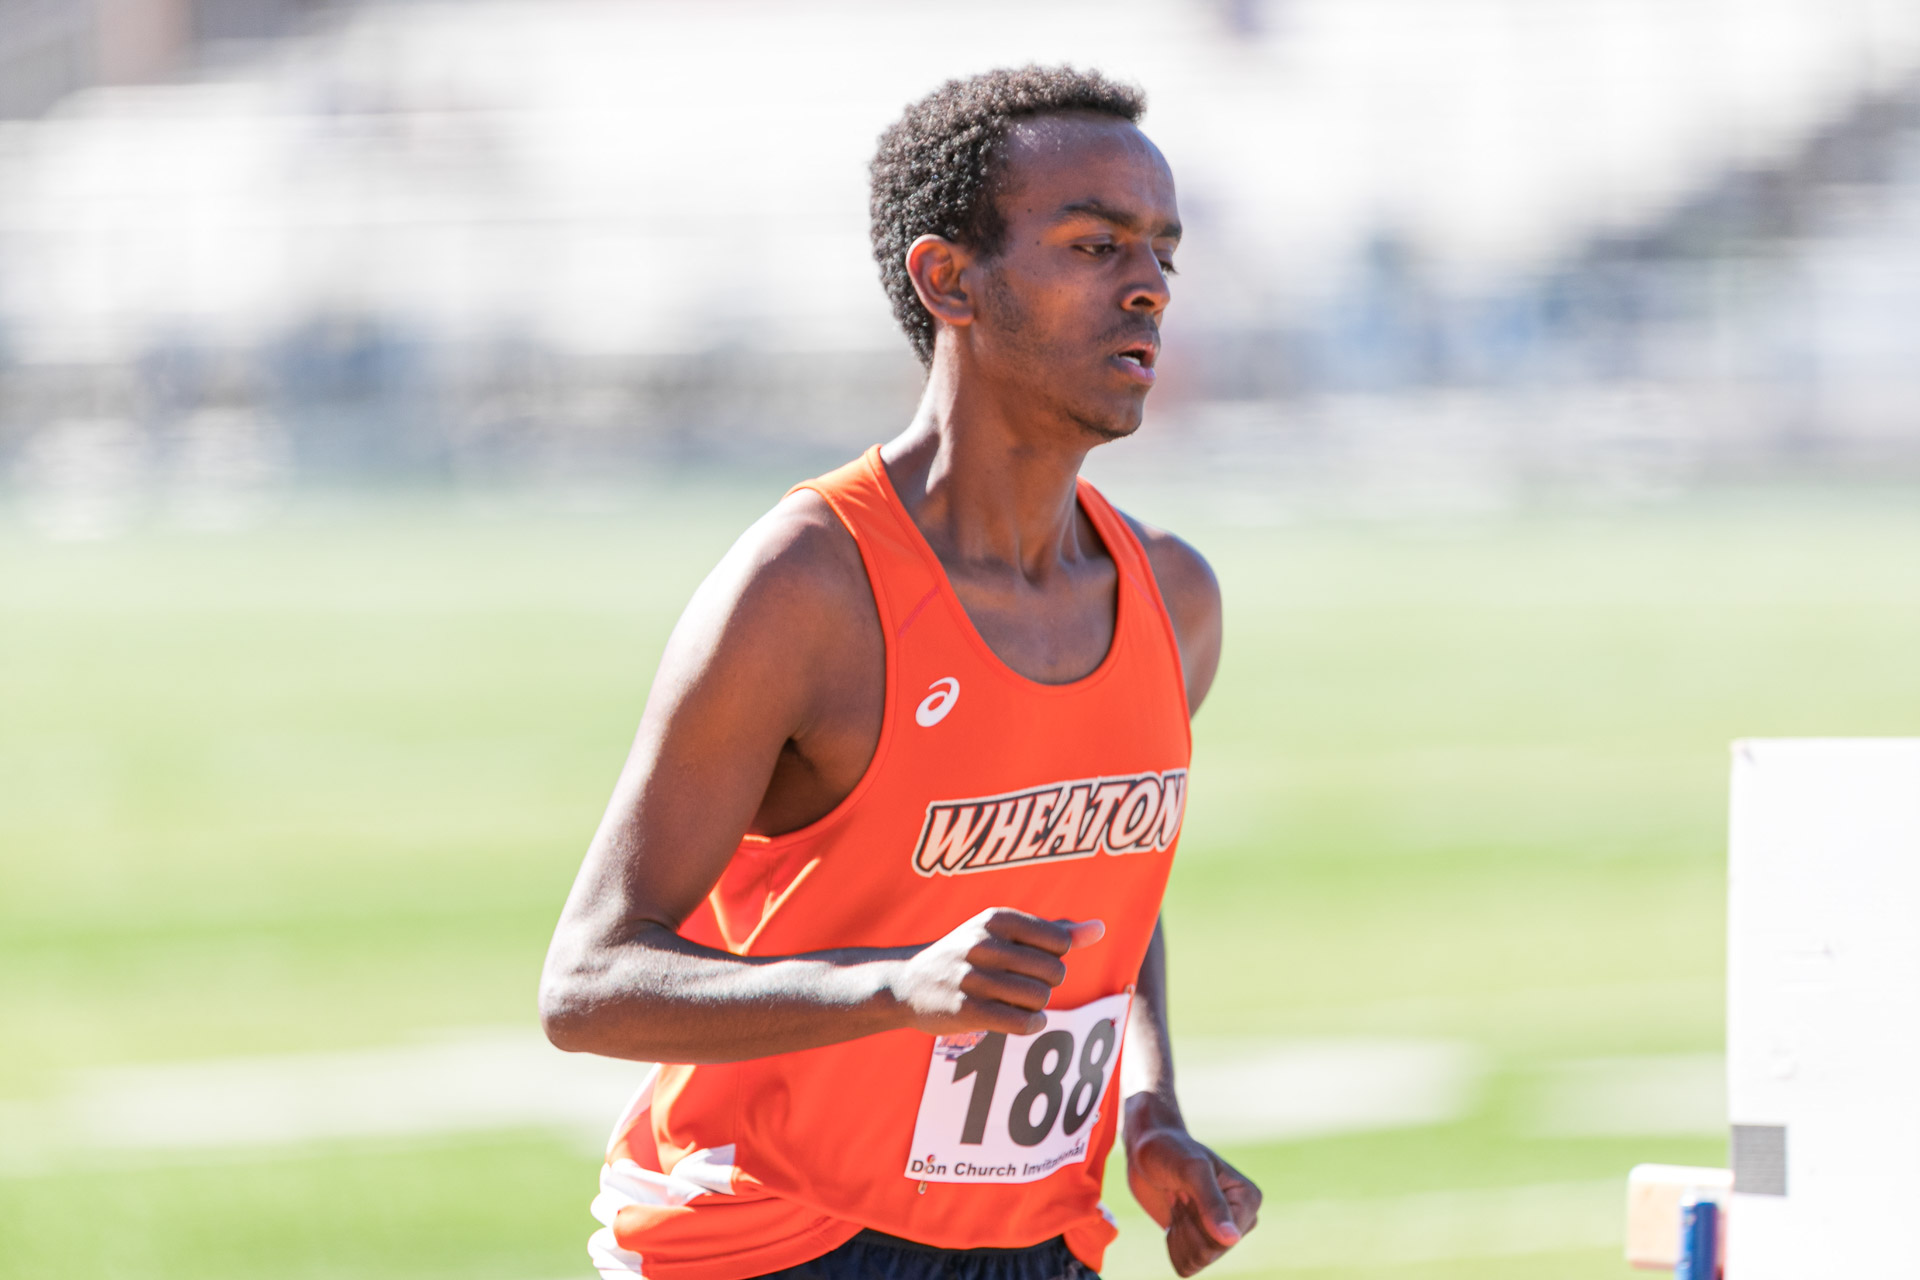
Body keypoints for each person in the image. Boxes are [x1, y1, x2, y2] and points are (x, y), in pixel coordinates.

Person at [540, 65, 1260, 1280]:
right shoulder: (808, 586)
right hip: (771, 1242)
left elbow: (1102, 891)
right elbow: (590, 979)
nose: (1147, 287)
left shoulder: (1173, 598)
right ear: (949, 280)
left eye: (1162, 255)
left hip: (1037, 1243)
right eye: (1093, 245)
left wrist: (1151, 1103)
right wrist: (892, 986)